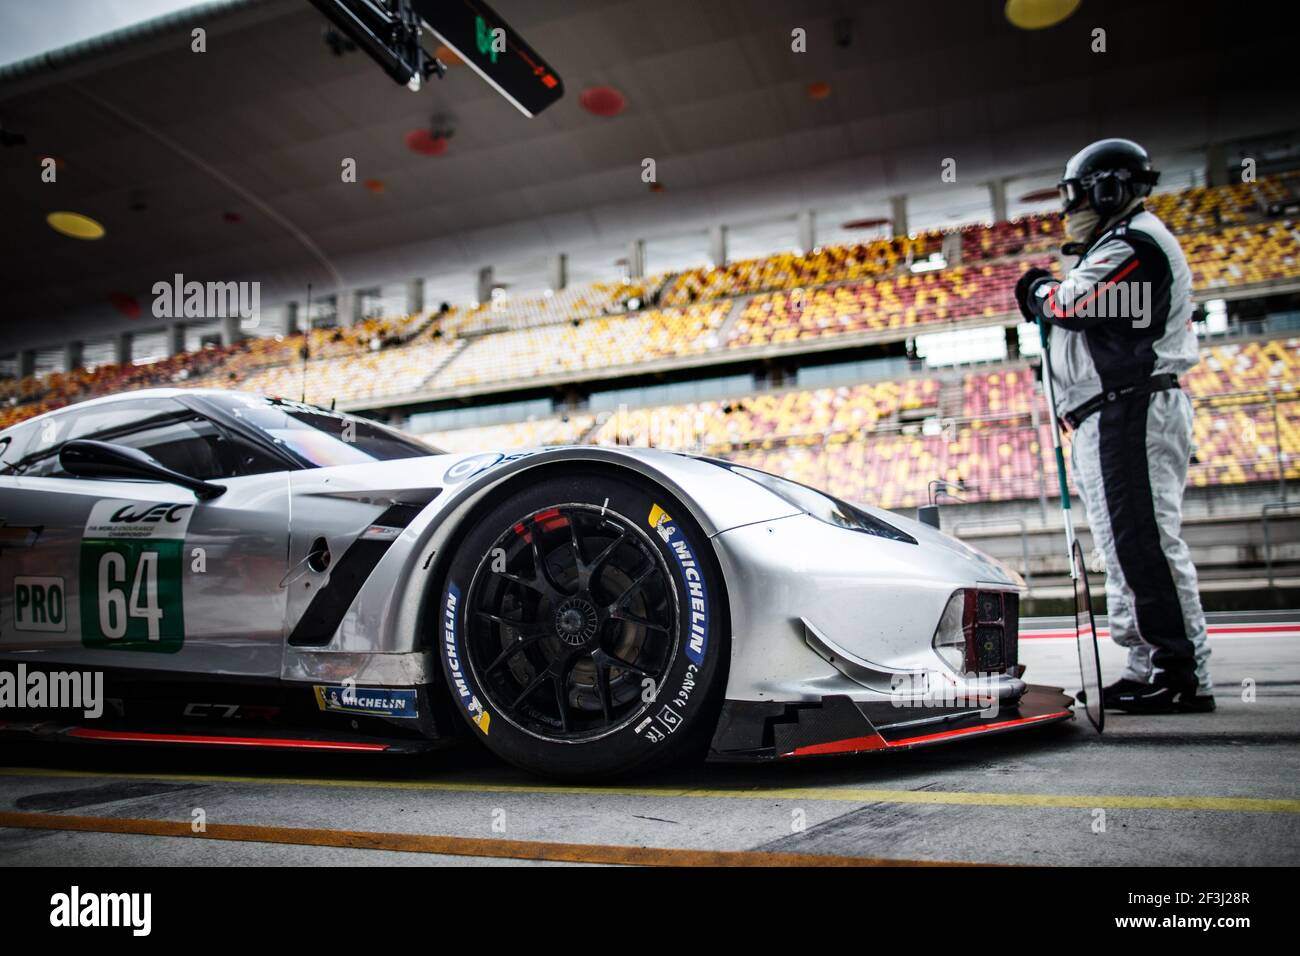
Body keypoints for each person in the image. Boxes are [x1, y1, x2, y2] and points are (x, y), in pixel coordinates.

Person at [1015, 138, 1214, 714]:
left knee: (1142, 544)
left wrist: (1037, 291)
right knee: (1124, 549)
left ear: (1108, 191)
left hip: (1131, 408)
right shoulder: (1116, 243)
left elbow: (1071, 304)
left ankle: (1178, 669)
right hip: (1112, 413)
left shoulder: (1134, 242)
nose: (1066, 210)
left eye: (1074, 197)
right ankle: (1149, 664)